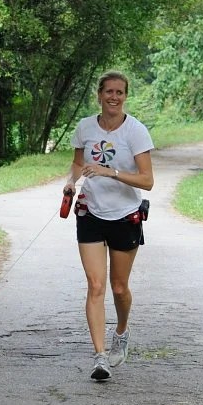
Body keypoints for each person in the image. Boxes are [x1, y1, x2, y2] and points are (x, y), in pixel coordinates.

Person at [63, 71, 154, 380]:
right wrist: (70, 184)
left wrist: (109, 171)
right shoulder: (85, 127)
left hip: (125, 214)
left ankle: (122, 332)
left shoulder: (136, 132)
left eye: (120, 92)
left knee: (119, 287)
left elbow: (147, 180)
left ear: (125, 96)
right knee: (96, 286)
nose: (114, 97)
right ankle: (100, 356)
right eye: (109, 92)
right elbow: (77, 164)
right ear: (99, 95)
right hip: (90, 211)